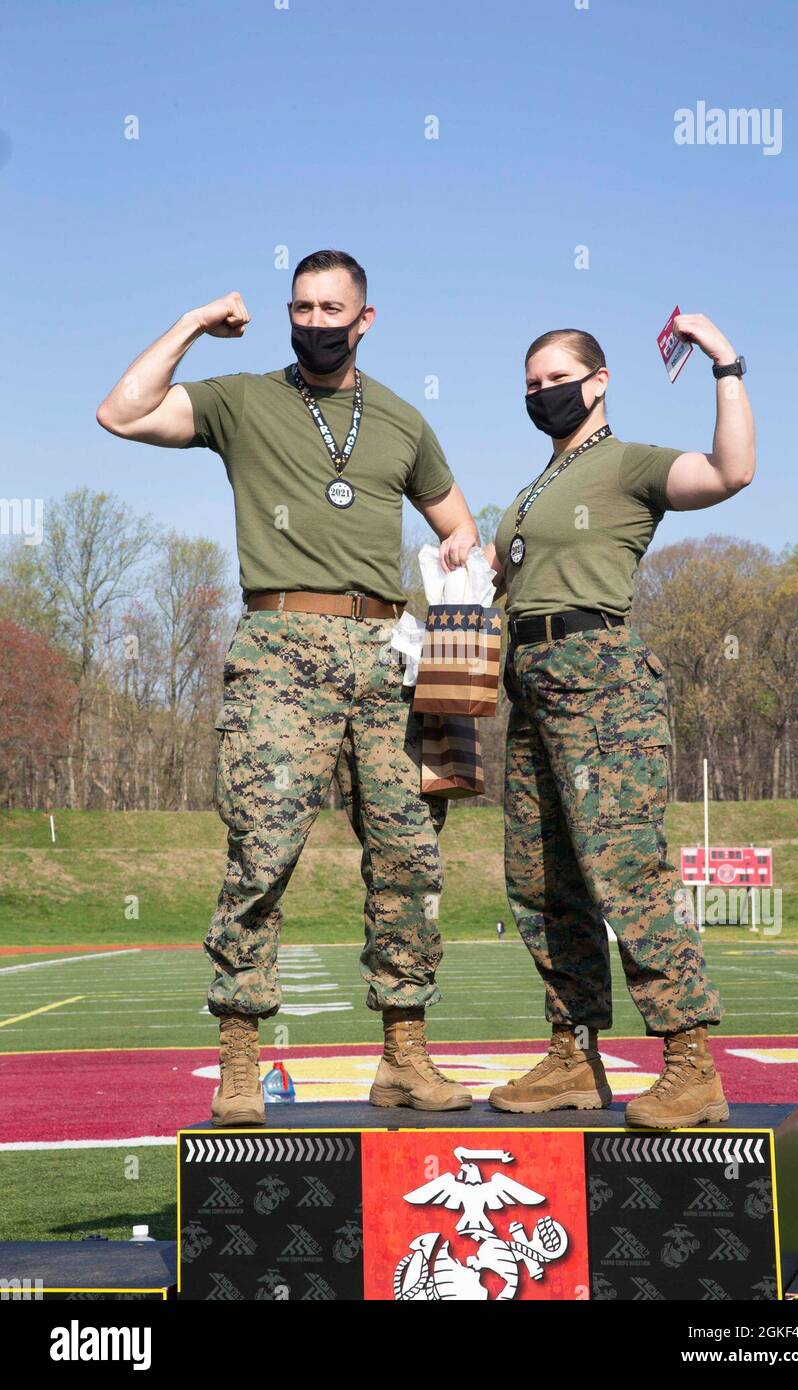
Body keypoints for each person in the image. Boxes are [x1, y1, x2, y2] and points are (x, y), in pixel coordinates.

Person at [97, 249, 478, 1122]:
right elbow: (120, 412)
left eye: (332, 307)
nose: (315, 320)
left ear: (365, 318)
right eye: (301, 306)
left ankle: (405, 1057)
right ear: (287, 313)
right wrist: (195, 322)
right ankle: (240, 1056)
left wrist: (463, 549)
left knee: (409, 855)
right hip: (277, 646)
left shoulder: (403, 421)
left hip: (387, 650)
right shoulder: (242, 399)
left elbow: (460, 525)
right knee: (262, 853)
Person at [484, 315, 755, 1127]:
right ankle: (573, 1056)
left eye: (556, 378)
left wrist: (725, 362)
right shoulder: (535, 488)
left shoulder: (628, 463)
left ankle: (689, 1061)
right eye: (530, 385)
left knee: (625, 869)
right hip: (526, 683)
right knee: (539, 877)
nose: (543, 393)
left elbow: (731, 472)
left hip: (600, 678)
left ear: (598, 382)